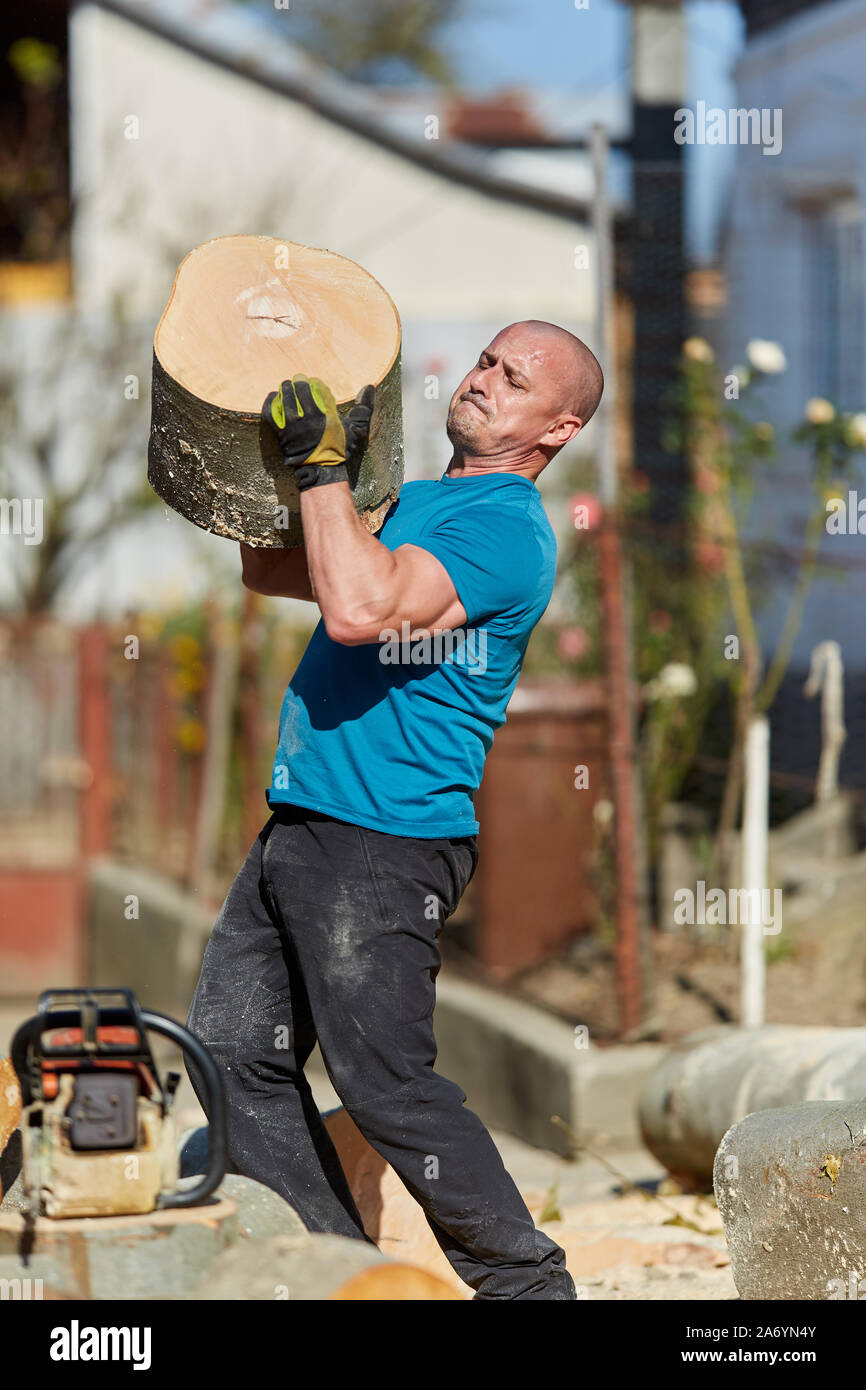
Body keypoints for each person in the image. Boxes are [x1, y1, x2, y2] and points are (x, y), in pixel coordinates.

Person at [185, 319, 604, 1300]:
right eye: (486, 361)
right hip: (302, 822)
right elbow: (275, 569)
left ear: (560, 426)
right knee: (238, 1055)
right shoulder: (414, 500)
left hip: (384, 844)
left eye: (516, 380)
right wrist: (259, 461)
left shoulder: (504, 527)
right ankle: (343, 1275)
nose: (484, 381)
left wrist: (325, 468)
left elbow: (361, 611)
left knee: (386, 1085)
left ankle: (525, 1284)